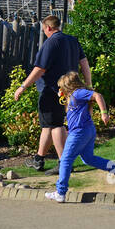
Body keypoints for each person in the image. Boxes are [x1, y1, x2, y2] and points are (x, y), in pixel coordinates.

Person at [14, 15, 92, 171]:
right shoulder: (72, 41)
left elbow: (40, 69)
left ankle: (64, 163)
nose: (45, 32)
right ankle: (39, 159)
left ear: (48, 27)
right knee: (47, 125)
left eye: (44, 29)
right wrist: (88, 84)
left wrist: (23, 86)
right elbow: (84, 63)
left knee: (56, 125)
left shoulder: (51, 42)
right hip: (70, 90)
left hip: (52, 90)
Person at [45, 71, 115, 203]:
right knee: (88, 159)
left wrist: (104, 113)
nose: (61, 90)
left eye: (62, 87)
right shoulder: (73, 96)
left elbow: (98, 96)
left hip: (79, 132)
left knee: (66, 160)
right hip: (86, 130)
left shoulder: (78, 92)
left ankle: (60, 192)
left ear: (68, 85)